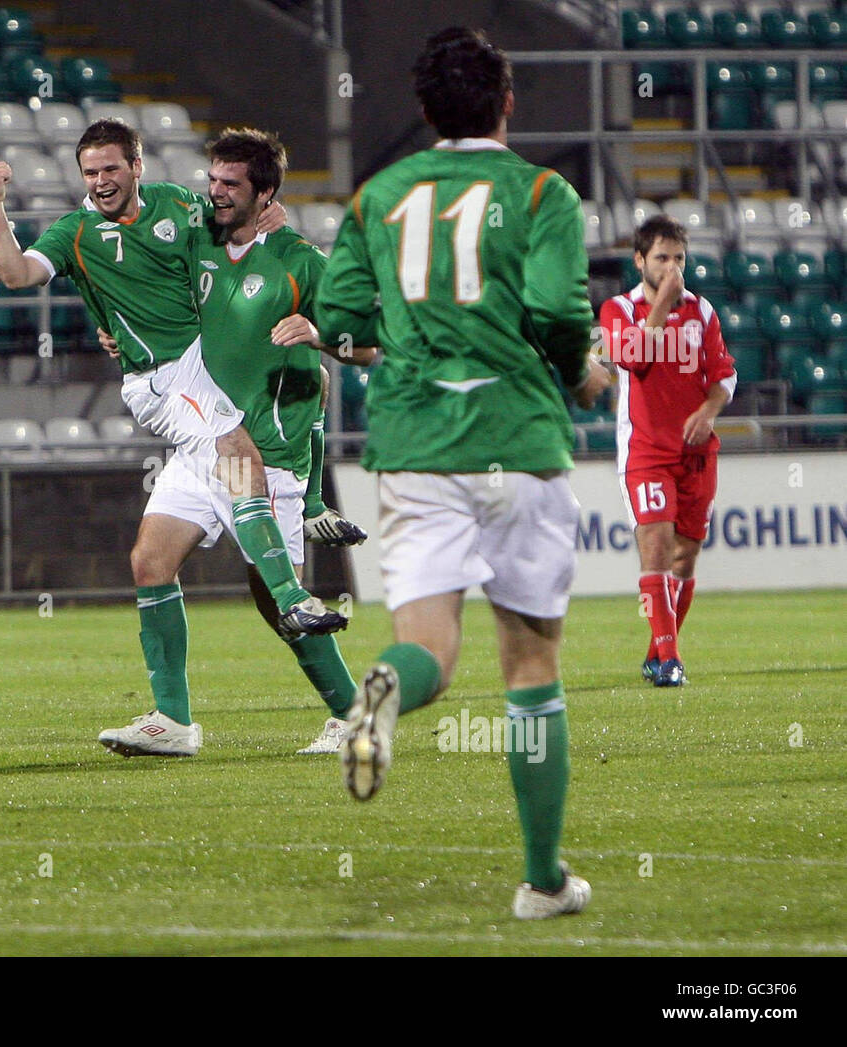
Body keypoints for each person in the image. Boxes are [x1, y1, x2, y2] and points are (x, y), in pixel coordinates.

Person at [315, 27, 612, 919]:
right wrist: (582, 371)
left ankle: (385, 693)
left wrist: (400, 345)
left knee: (432, 650)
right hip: (517, 437)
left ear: (424, 111)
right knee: (531, 663)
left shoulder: (378, 197)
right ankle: (542, 880)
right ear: (507, 102)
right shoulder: (541, 192)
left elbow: (336, 318)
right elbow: (560, 308)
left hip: (414, 446)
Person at [0, 119, 349, 758]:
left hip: (199, 384)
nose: (100, 182)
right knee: (238, 455)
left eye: (111, 170)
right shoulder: (75, 232)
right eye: (90, 172)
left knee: (153, 562)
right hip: (162, 382)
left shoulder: (182, 208)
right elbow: (15, 274)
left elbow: (231, 224)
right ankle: (197, 697)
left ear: (137, 166)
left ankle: (218, 716)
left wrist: (270, 215)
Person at [94, 128, 375, 758]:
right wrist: (125, 337)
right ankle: (172, 720)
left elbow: (372, 344)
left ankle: (355, 715)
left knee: (274, 605)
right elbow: (152, 295)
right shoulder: (200, 244)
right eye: (213, 180)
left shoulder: (303, 263)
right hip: (204, 441)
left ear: (265, 193)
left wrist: (322, 337)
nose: (215, 194)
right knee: (149, 562)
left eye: (231, 185)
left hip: (266, 458)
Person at [600, 215, 737, 687]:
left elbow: (724, 377)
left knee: (686, 557)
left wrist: (710, 410)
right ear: (640, 261)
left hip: (696, 453)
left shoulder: (703, 312)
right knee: (656, 550)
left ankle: (657, 650)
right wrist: (661, 301)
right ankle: (672, 660)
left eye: (679, 257)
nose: (673, 267)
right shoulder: (618, 309)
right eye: (662, 258)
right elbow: (634, 357)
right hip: (646, 451)